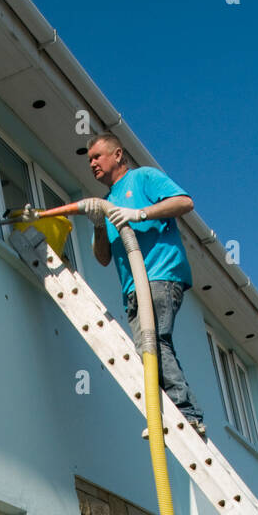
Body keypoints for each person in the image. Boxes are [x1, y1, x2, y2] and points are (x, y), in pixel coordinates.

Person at [80, 133, 206, 438]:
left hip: (160, 274)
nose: (92, 163)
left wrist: (140, 213)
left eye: (97, 156)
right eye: (89, 160)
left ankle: (186, 413)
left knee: (156, 340)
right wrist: (99, 224)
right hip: (133, 288)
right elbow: (102, 258)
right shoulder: (108, 204)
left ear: (119, 155)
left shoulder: (143, 178)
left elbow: (184, 202)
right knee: (146, 349)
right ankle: (166, 413)